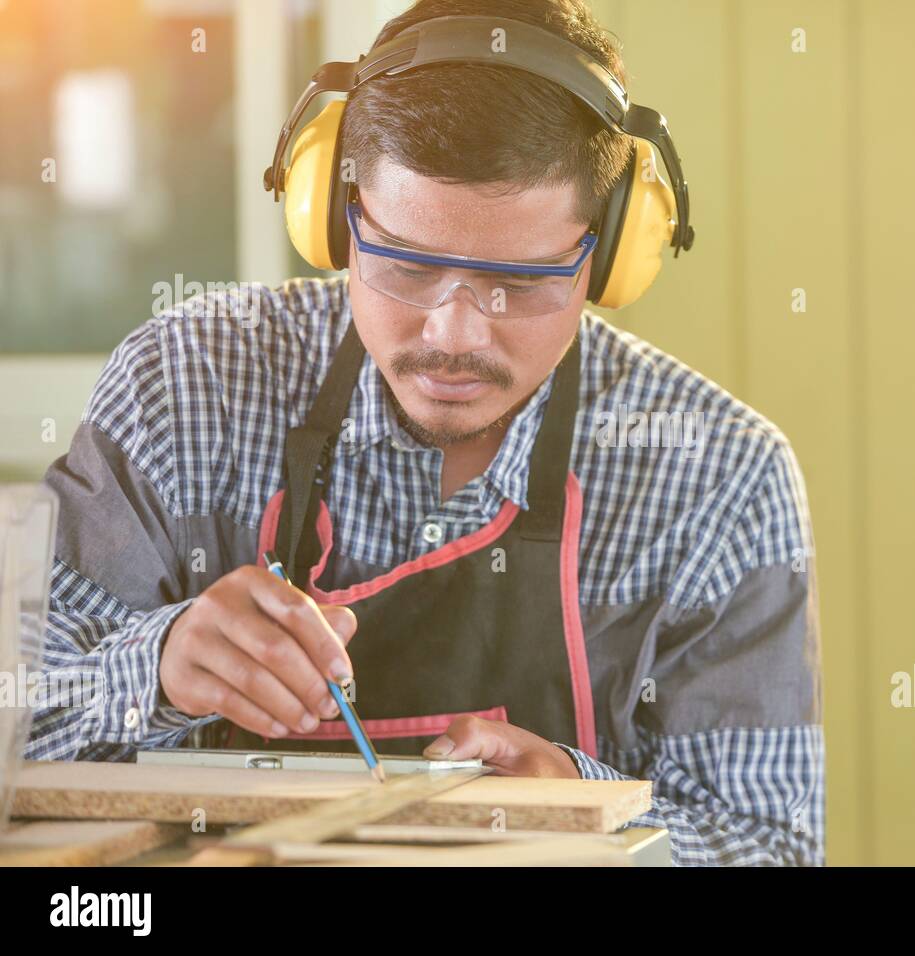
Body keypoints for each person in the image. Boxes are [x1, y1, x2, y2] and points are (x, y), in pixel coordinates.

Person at [30, 0, 824, 866]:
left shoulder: (722, 476)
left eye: (518, 283)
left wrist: (594, 815)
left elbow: (772, 847)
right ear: (332, 218)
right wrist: (156, 669)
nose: (455, 336)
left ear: (610, 254)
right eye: (407, 265)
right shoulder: (184, 388)